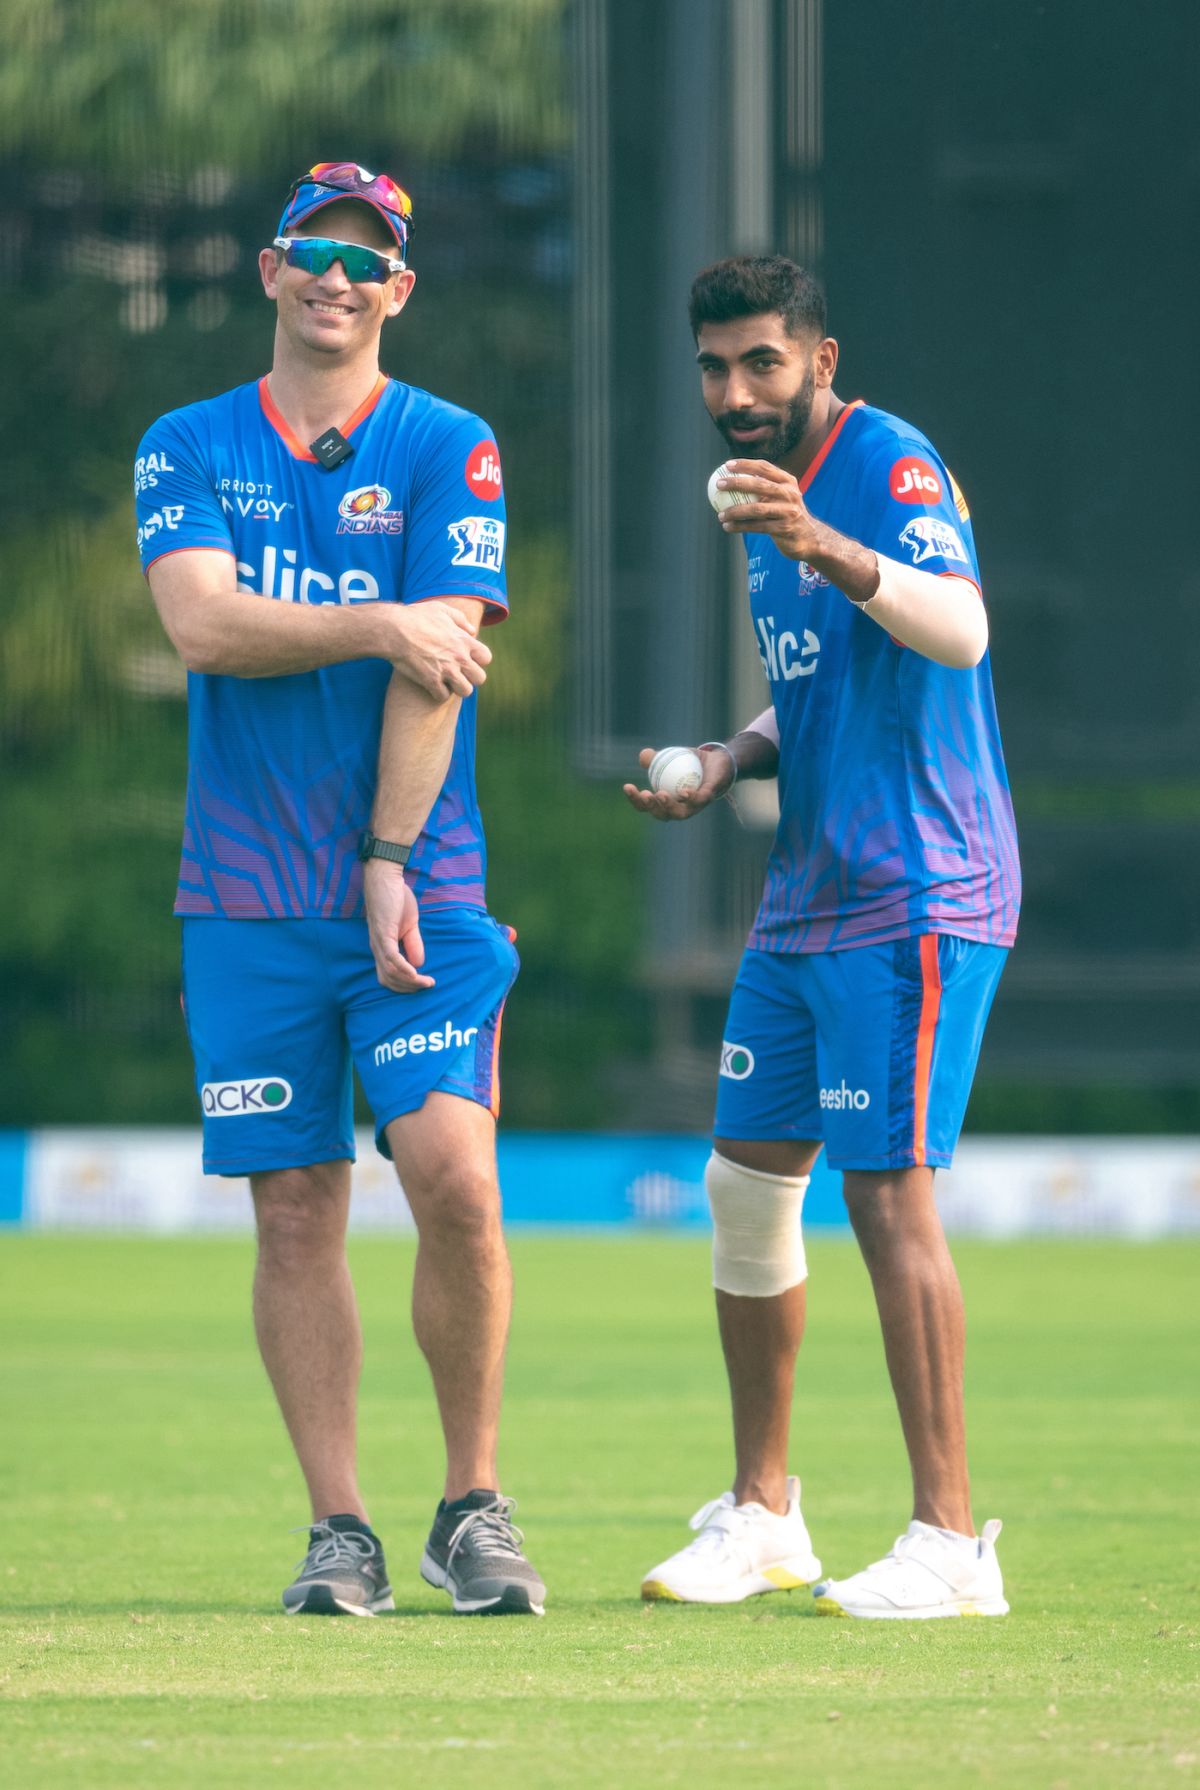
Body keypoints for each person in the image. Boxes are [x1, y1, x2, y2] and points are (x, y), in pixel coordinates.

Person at [134, 162, 545, 1618]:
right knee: (298, 1210)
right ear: (269, 267)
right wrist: (376, 616)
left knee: (456, 1178)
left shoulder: (452, 444)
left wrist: (383, 857)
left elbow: (441, 677)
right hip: (244, 892)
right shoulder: (184, 440)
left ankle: (472, 1505)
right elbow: (201, 625)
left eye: (367, 263)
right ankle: (342, 1528)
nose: (338, 279)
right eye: (315, 250)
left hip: (416, 873)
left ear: (400, 291)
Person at [625, 255, 1020, 1619]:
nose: (735, 392)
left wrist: (827, 544)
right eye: (714, 367)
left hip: (919, 881)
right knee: (744, 1186)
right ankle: (766, 1515)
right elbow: (825, 683)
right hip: (809, 889)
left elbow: (958, 631)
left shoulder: (887, 462)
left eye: (762, 365)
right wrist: (731, 755)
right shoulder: (756, 498)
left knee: (886, 1192)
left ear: (821, 360)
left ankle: (953, 1545)